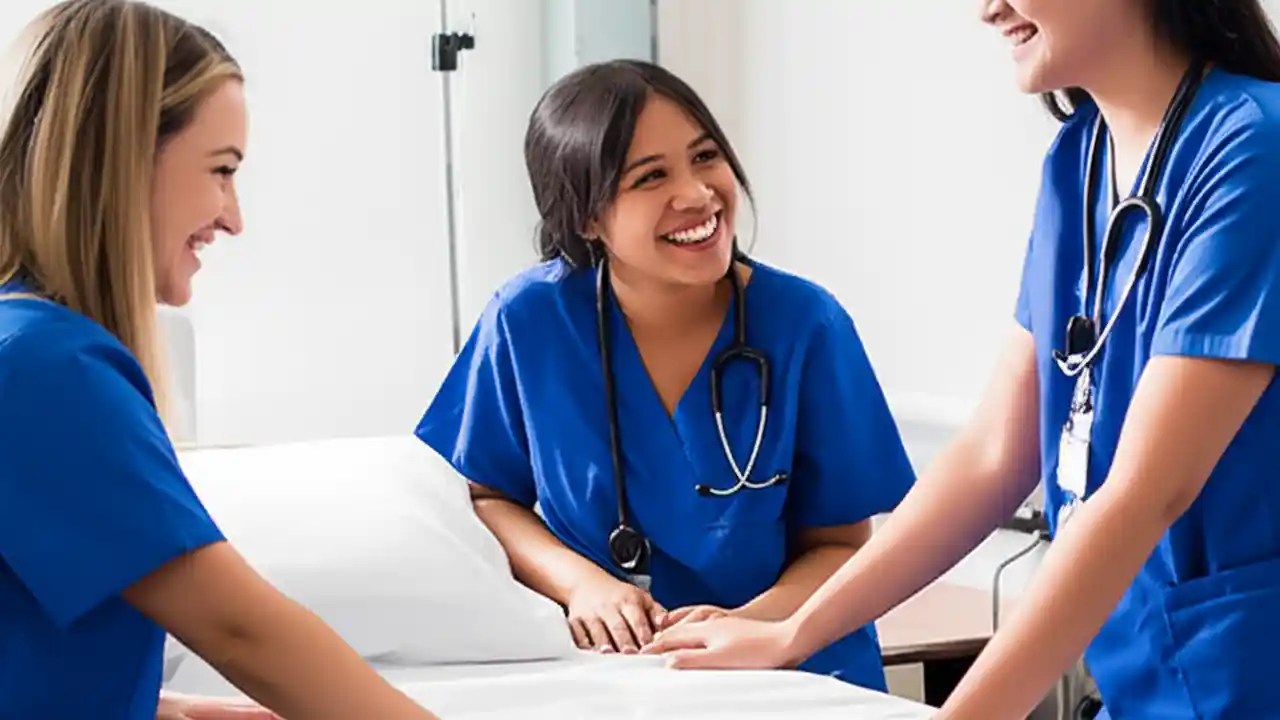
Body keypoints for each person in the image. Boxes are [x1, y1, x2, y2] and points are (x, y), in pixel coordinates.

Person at [643, 1, 1280, 717]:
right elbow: (993, 454)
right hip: (1150, 682)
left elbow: (1145, 490)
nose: (988, 9)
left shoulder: (1256, 146)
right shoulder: (1079, 161)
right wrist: (792, 632)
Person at [414, 59, 916, 693]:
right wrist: (582, 584)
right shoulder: (529, 322)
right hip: (614, 673)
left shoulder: (804, 324)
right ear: (586, 218)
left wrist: (747, 625)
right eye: (651, 177)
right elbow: (482, 497)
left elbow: (843, 544)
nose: (698, 194)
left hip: (792, 667)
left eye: (706, 158)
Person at [0, 2, 440, 718]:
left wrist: (163, 708)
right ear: (122, 156)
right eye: (221, 170)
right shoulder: (48, 369)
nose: (234, 217)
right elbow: (241, 631)